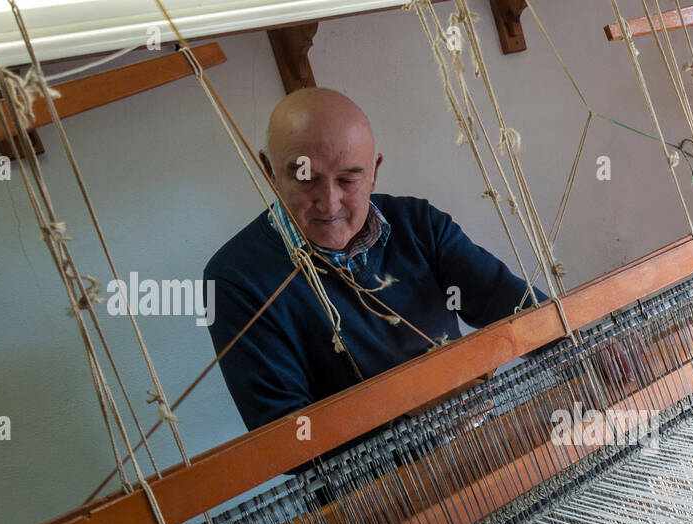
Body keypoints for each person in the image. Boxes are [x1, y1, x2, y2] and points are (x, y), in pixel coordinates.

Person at [204, 87, 542, 433]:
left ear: (374, 171)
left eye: (349, 179)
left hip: (475, 444)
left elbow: (518, 307)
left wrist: (585, 354)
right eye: (305, 178)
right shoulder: (234, 279)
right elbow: (287, 433)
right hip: (369, 484)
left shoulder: (419, 224)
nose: (330, 203)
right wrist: (416, 407)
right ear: (268, 170)